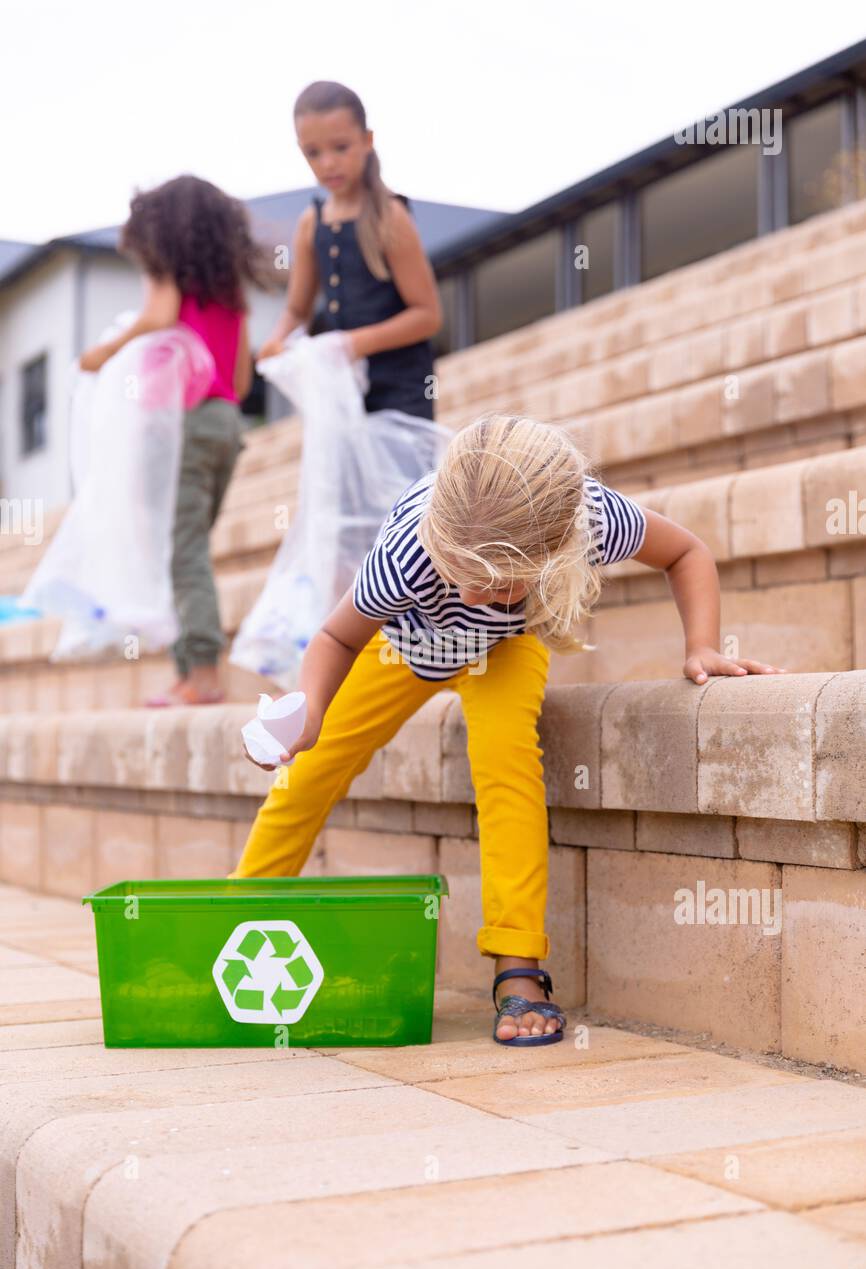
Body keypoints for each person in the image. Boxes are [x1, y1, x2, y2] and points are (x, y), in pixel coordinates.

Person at [229, 414, 786, 1047]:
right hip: (401, 650)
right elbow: (334, 637)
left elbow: (686, 553)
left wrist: (703, 646)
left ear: (554, 550)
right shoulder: (407, 552)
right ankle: (240, 908)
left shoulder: (592, 519)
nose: (469, 594)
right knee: (313, 768)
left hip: (506, 649)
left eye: (494, 584)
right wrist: (311, 710)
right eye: (458, 575)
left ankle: (518, 966)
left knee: (507, 766)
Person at [80, 174, 267, 705]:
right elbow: (243, 378)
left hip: (185, 423)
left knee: (180, 551)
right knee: (187, 548)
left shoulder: (167, 273)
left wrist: (105, 353)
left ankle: (203, 673)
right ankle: (189, 671)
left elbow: (159, 317)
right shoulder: (230, 290)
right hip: (226, 423)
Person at [257, 79, 442, 419]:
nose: (327, 163)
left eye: (340, 147)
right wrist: (278, 338)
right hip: (343, 394)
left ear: (367, 141)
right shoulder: (310, 224)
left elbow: (428, 315)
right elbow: (298, 310)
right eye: (313, 152)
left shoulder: (391, 217)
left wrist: (353, 345)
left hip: (402, 392)